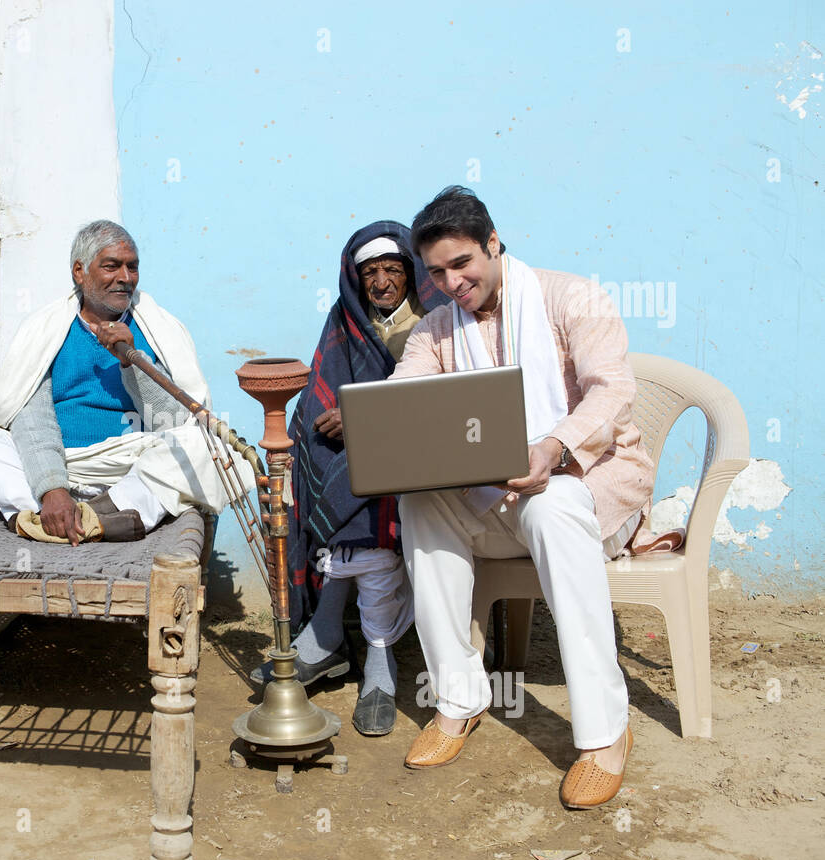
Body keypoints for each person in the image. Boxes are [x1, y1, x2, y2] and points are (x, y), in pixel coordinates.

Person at [392, 186, 653, 808]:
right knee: (419, 504)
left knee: (554, 502)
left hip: (588, 483)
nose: (452, 282)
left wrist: (554, 447)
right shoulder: (434, 331)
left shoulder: (573, 298)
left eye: (462, 264)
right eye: (436, 273)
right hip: (490, 497)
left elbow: (611, 390)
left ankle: (604, 734)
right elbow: (404, 402)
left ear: (493, 243)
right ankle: (457, 701)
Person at [251, 221, 448, 736]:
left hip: (418, 451)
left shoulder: (437, 322)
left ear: (411, 273)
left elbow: (445, 402)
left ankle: (358, 651)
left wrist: (365, 419)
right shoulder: (344, 319)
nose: (382, 282)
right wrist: (344, 421)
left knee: (373, 480)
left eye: (392, 269)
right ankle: (334, 640)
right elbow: (323, 392)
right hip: (355, 453)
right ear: (354, 279)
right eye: (370, 273)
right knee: (317, 455)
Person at [0, 220, 250, 542]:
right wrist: (53, 488)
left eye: (132, 267)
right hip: (59, 464)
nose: (125, 278)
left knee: (205, 443)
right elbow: (31, 418)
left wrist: (131, 360)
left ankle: (98, 515)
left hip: (129, 469)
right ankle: (46, 511)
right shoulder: (46, 330)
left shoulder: (155, 328)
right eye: (111, 266)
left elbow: (174, 421)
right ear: (80, 271)